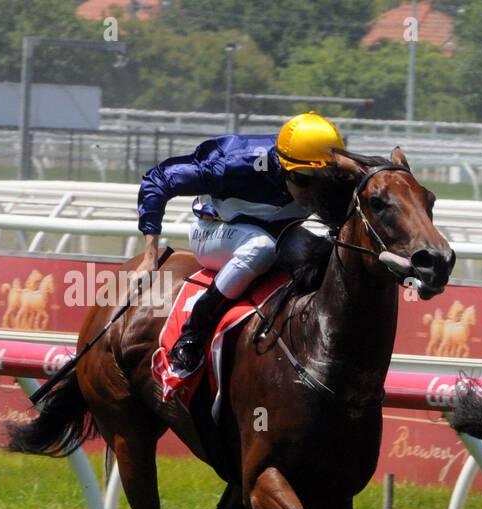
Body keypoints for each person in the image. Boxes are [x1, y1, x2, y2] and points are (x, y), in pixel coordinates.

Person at [134, 112, 345, 376]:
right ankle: (194, 331)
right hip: (214, 231)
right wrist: (149, 256)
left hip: (282, 234)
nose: (314, 193)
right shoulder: (234, 162)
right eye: (304, 180)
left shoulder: (331, 170)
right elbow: (158, 179)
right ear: (283, 167)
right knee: (261, 248)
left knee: (326, 258)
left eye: (323, 181)